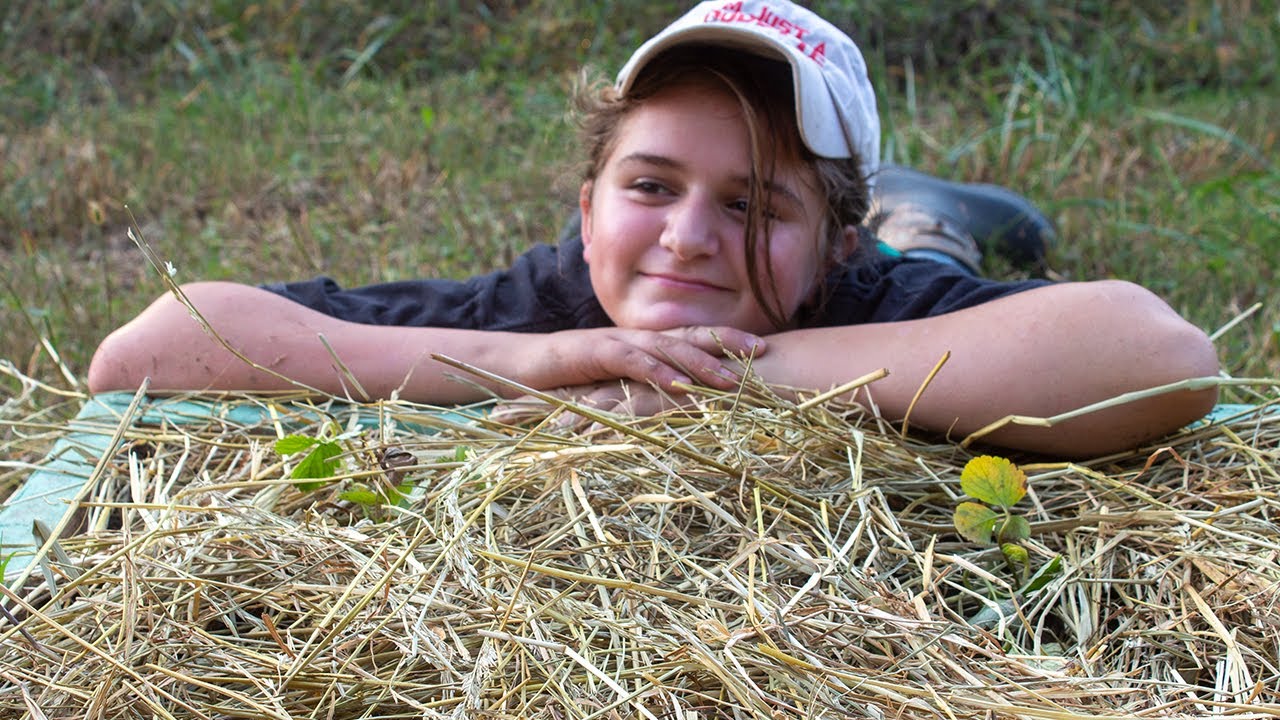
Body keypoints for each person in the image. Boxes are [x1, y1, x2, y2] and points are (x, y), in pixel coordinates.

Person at [87, 0, 1218, 457]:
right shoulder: (545, 308)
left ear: (830, 243)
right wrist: (527, 364)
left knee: (926, 263)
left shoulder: (863, 290)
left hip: (878, 273)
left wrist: (729, 371)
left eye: (753, 203)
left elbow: (1154, 356)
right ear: (583, 212)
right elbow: (149, 352)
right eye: (648, 187)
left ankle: (925, 221)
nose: (683, 240)